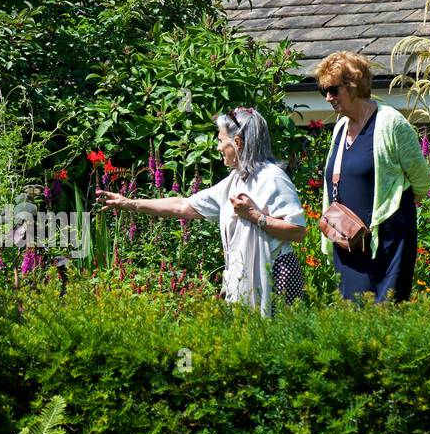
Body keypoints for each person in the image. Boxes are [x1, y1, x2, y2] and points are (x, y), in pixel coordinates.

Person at [96, 106, 307, 315]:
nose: (217, 148)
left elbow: (297, 231)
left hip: (278, 277)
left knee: (278, 344)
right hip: (249, 281)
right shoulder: (235, 181)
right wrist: (129, 203)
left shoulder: (273, 178)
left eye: (220, 141)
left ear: (238, 143)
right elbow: (183, 206)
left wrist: (254, 216)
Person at [315, 52, 430, 303]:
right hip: (347, 242)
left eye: (334, 90)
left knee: (385, 318)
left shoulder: (390, 123)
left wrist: (395, 214)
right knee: (353, 322)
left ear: (354, 86)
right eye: (324, 90)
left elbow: (421, 179)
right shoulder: (340, 127)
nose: (328, 98)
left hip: (386, 246)